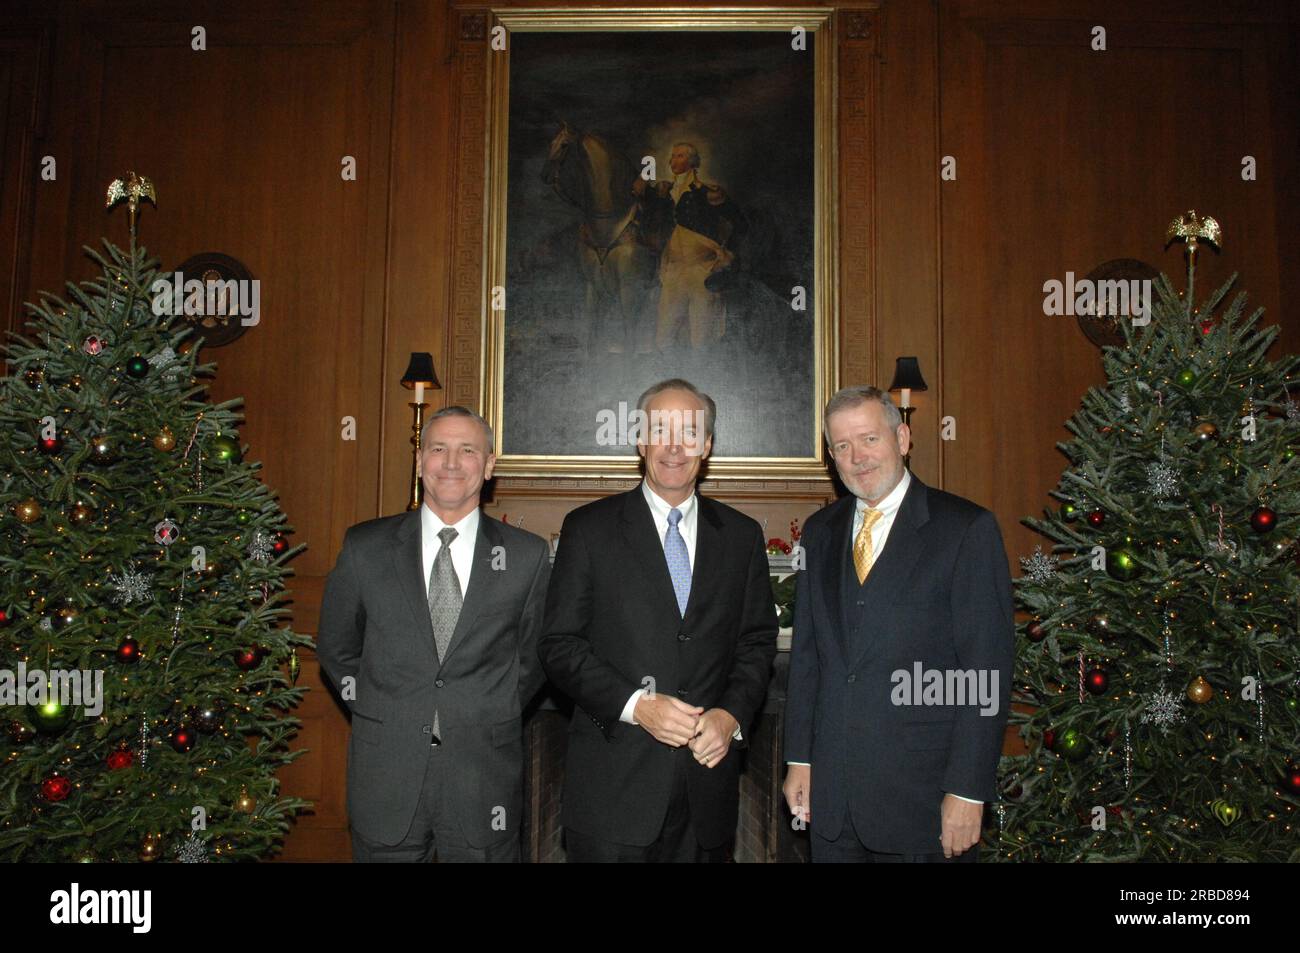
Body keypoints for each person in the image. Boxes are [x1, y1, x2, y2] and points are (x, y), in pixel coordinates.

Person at [540, 378, 776, 861]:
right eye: (660, 429)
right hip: (613, 794)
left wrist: (731, 714)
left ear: (707, 445)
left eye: (689, 431)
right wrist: (636, 706)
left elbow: (755, 642)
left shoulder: (741, 535)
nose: (674, 446)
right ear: (640, 440)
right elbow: (560, 645)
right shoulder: (588, 529)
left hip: (706, 793)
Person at [782, 386, 1014, 862]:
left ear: (903, 437)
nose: (857, 457)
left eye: (869, 439)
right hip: (832, 804)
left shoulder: (965, 529)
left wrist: (969, 791)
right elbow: (807, 659)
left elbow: (985, 669)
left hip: (925, 805)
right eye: (842, 446)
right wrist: (800, 759)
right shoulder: (819, 533)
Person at [317, 405, 551, 861]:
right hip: (385, 771)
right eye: (438, 448)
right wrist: (385, 709)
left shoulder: (525, 556)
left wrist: (487, 708)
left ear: (488, 467)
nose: (451, 462)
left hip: (484, 773)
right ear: (420, 461)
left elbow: (535, 655)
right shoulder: (365, 546)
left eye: (468, 450)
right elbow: (336, 646)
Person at [636, 143, 747, 349]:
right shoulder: (664, 192)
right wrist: (644, 191)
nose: (672, 161)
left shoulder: (708, 193)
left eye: (679, 156)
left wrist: (726, 254)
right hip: (673, 271)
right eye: (672, 157)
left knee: (702, 338)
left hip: (702, 271)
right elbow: (648, 219)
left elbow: (740, 223)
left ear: (692, 161)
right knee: (664, 338)